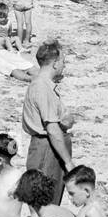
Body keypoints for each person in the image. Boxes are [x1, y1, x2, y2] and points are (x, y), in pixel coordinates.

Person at [21, 40, 74, 206]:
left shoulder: (43, 86)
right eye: (63, 61)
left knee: (47, 203)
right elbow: (52, 129)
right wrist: (68, 162)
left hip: (48, 147)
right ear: (55, 63)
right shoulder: (42, 88)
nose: (64, 65)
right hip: (48, 149)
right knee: (45, 205)